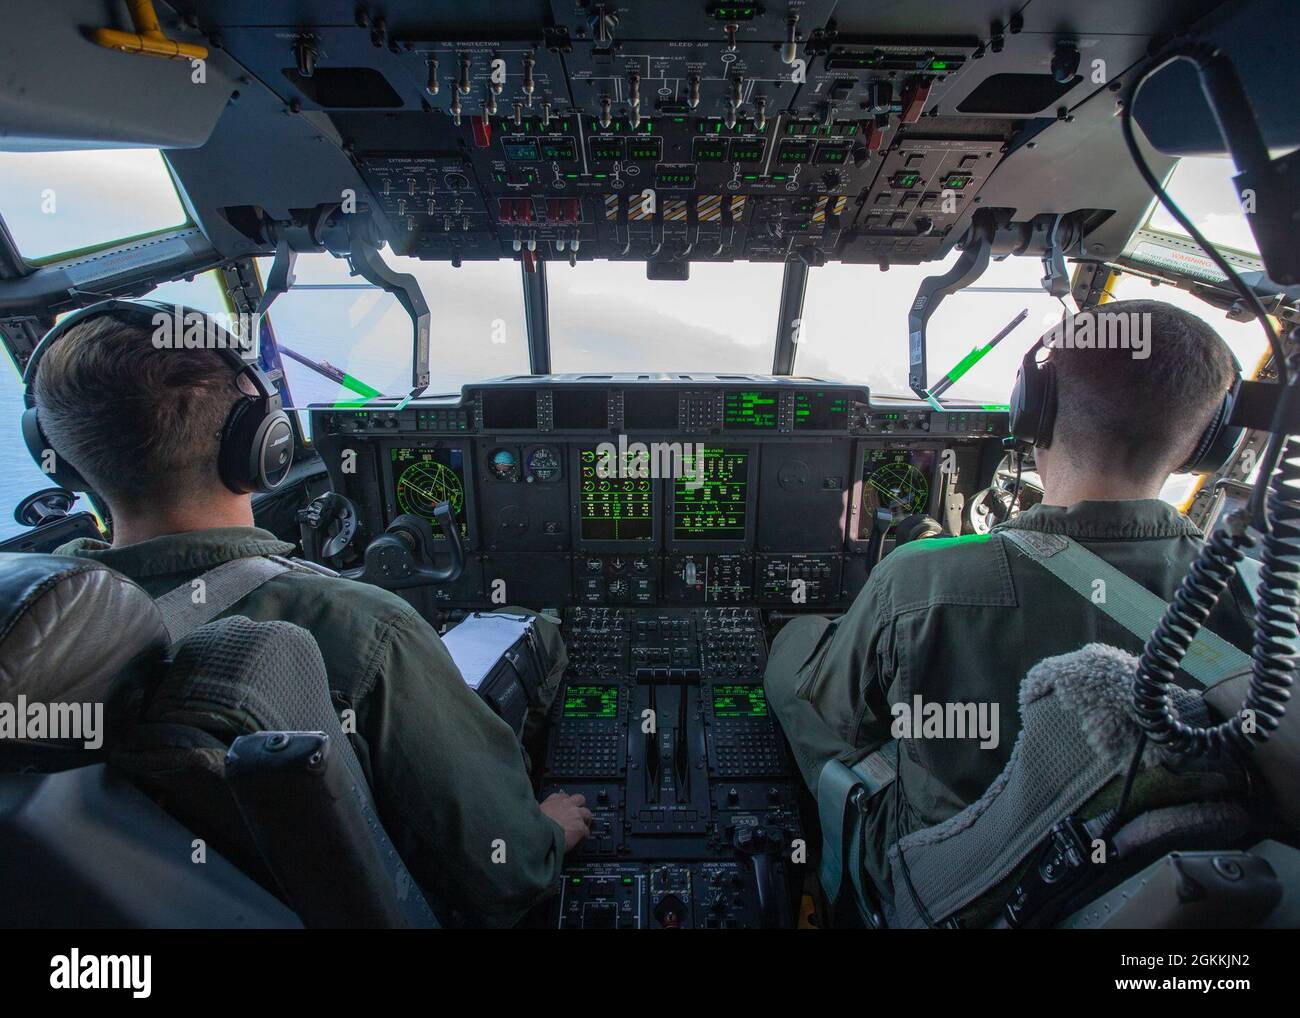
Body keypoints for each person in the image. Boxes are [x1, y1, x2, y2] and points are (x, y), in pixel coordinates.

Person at [31, 306, 591, 927]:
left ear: (58, 455)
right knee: (530, 630)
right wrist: (542, 834)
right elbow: (506, 872)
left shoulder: (40, 629)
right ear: (261, 445)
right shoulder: (367, 629)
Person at [764, 299, 1255, 910]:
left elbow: (844, 717)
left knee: (794, 661)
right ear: (1208, 443)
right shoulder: (1255, 597)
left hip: (949, 876)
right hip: (1098, 888)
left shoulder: (921, 578)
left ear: (1034, 410)